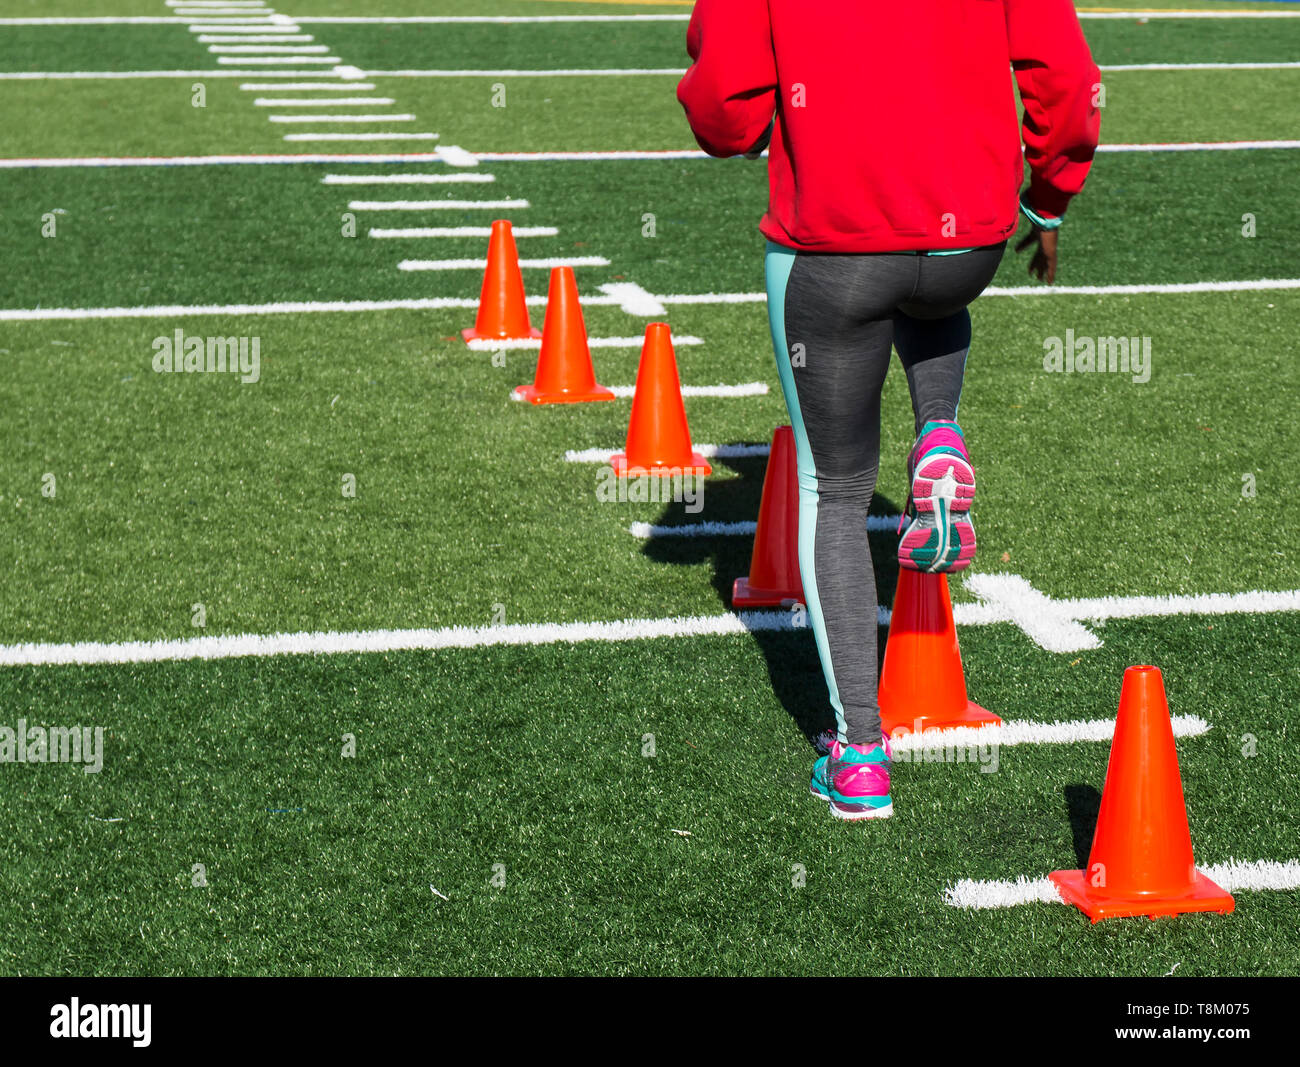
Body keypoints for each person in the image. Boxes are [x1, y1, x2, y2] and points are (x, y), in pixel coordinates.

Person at [677, 0, 1100, 820]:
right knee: (928, 285)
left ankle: (860, 752)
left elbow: (722, 107)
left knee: (833, 491)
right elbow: (1071, 82)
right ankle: (938, 429)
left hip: (834, 248)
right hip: (965, 247)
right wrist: (1050, 198)